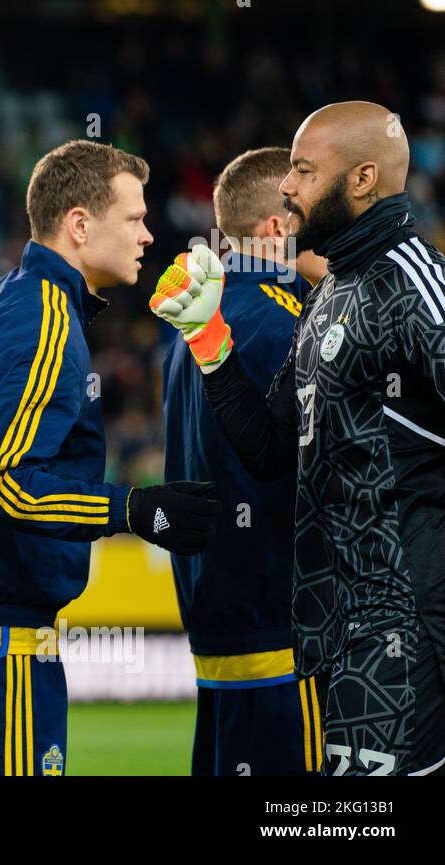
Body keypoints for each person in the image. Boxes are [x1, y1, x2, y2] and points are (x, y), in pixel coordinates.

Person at [150, 101, 445, 775]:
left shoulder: (415, 281)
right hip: (336, 643)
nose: (288, 187)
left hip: (411, 637)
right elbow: (270, 447)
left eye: (305, 171)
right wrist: (211, 343)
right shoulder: (330, 292)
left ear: (364, 178)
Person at [0, 140, 221, 776]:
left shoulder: (14, 298)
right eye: (133, 218)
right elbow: (6, 482)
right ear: (78, 224)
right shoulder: (43, 315)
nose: (149, 235)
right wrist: (133, 508)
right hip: (5, 643)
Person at [162, 146, 325, 775]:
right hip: (281, 617)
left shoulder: (197, 318)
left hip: (218, 609)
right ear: (279, 226)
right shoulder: (289, 316)